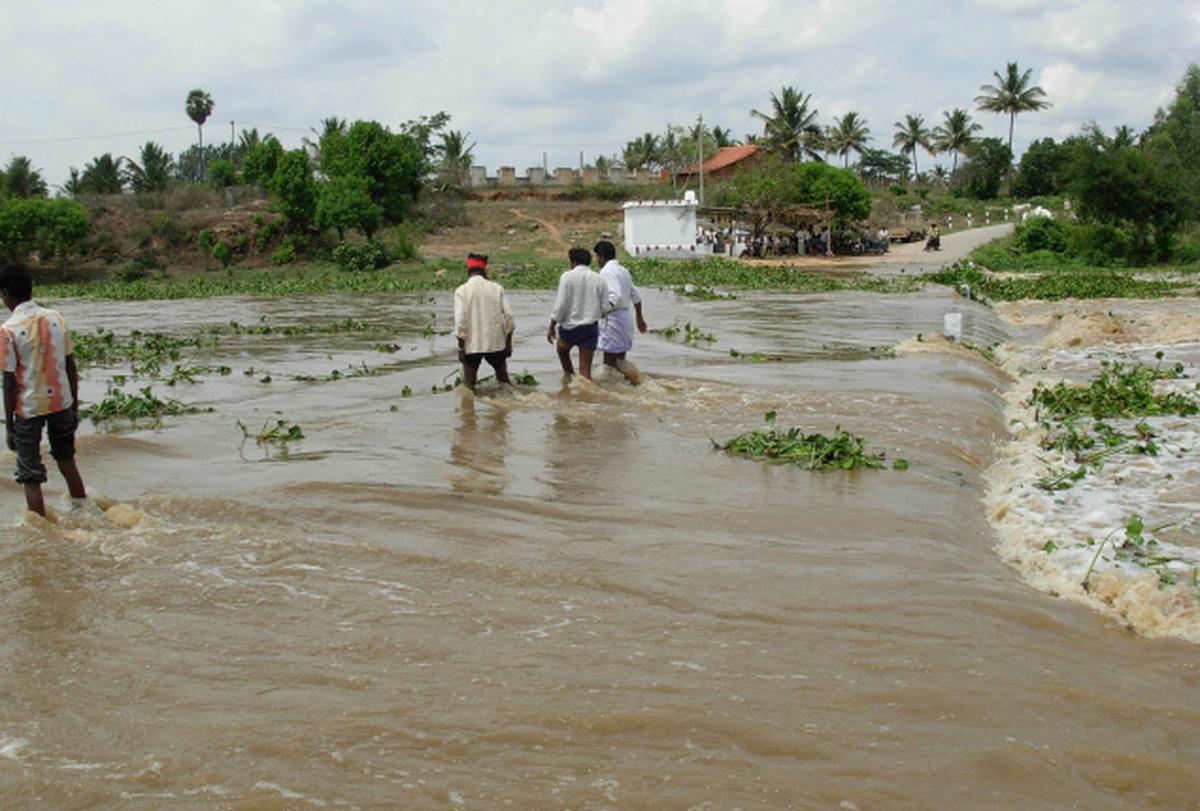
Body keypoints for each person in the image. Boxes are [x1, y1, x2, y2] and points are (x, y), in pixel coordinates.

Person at [0, 261, 86, 516]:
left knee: (30, 476)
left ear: (5, 295)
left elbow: (9, 382)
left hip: (29, 407)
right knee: (66, 460)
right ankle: (84, 512)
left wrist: (10, 426)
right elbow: (71, 366)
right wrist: (74, 406)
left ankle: (41, 532)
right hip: (62, 402)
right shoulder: (56, 318)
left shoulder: (8, 330)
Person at [453, 253, 514, 391]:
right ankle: (511, 408)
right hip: (496, 344)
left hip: (472, 345)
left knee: (469, 386)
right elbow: (509, 316)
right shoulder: (497, 288)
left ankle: (469, 411)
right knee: (504, 380)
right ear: (485, 270)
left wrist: (461, 348)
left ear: (468, 271)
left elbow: (460, 322)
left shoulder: (461, 291)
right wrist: (508, 344)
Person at [547, 247, 607, 380]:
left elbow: (561, 305)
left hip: (570, 328)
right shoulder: (598, 278)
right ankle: (587, 395)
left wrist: (552, 325)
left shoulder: (567, 276)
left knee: (562, 351)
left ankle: (568, 378)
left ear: (573, 262)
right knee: (585, 369)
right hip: (590, 329)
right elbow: (605, 308)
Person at [593, 240, 647, 381]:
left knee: (609, 364)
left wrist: (601, 312)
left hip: (613, 319)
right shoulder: (623, 271)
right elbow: (636, 296)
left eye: (597, 257)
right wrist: (639, 318)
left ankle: (612, 391)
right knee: (620, 359)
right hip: (625, 318)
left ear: (602, 256)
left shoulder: (607, 272)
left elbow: (614, 296)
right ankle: (631, 381)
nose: (596, 260)